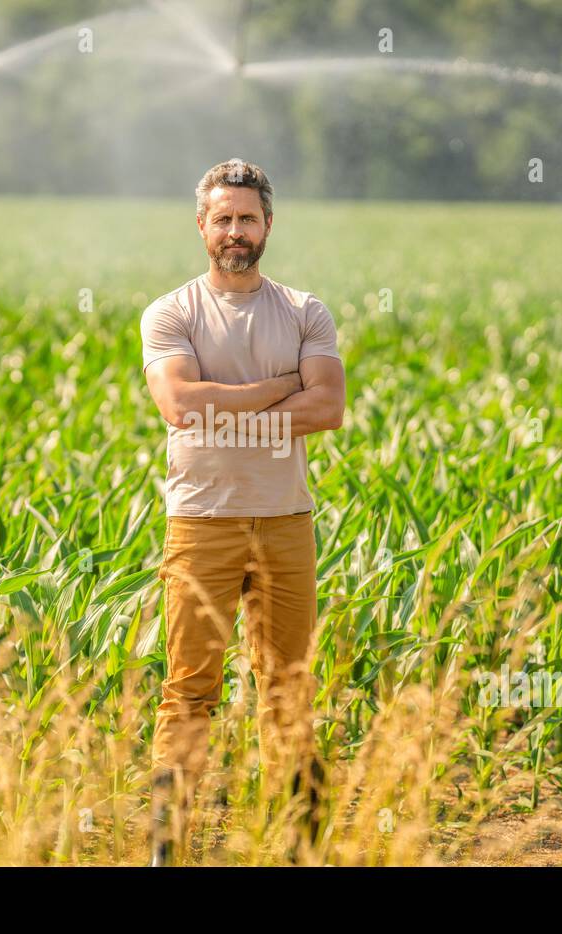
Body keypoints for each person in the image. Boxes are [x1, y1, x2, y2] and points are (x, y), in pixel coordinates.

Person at [139, 157, 346, 865]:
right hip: (201, 522)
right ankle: (171, 848)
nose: (235, 231)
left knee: (288, 684)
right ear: (202, 225)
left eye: (247, 219)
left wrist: (225, 408)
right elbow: (177, 404)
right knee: (189, 688)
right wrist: (276, 389)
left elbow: (328, 408)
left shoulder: (305, 310)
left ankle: (298, 849)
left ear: (267, 225)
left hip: (286, 521)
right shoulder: (171, 312)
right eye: (223, 218)